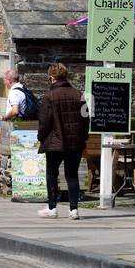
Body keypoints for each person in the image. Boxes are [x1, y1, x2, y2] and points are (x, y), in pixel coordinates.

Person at [37, 61, 90, 220]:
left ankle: (52, 208)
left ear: (52, 78)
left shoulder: (49, 96)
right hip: (75, 142)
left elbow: (44, 122)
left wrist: (41, 137)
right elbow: (86, 119)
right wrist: (83, 138)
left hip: (55, 142)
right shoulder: (79, 95)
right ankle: (74, 210)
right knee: (72, 175)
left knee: (52, 173)